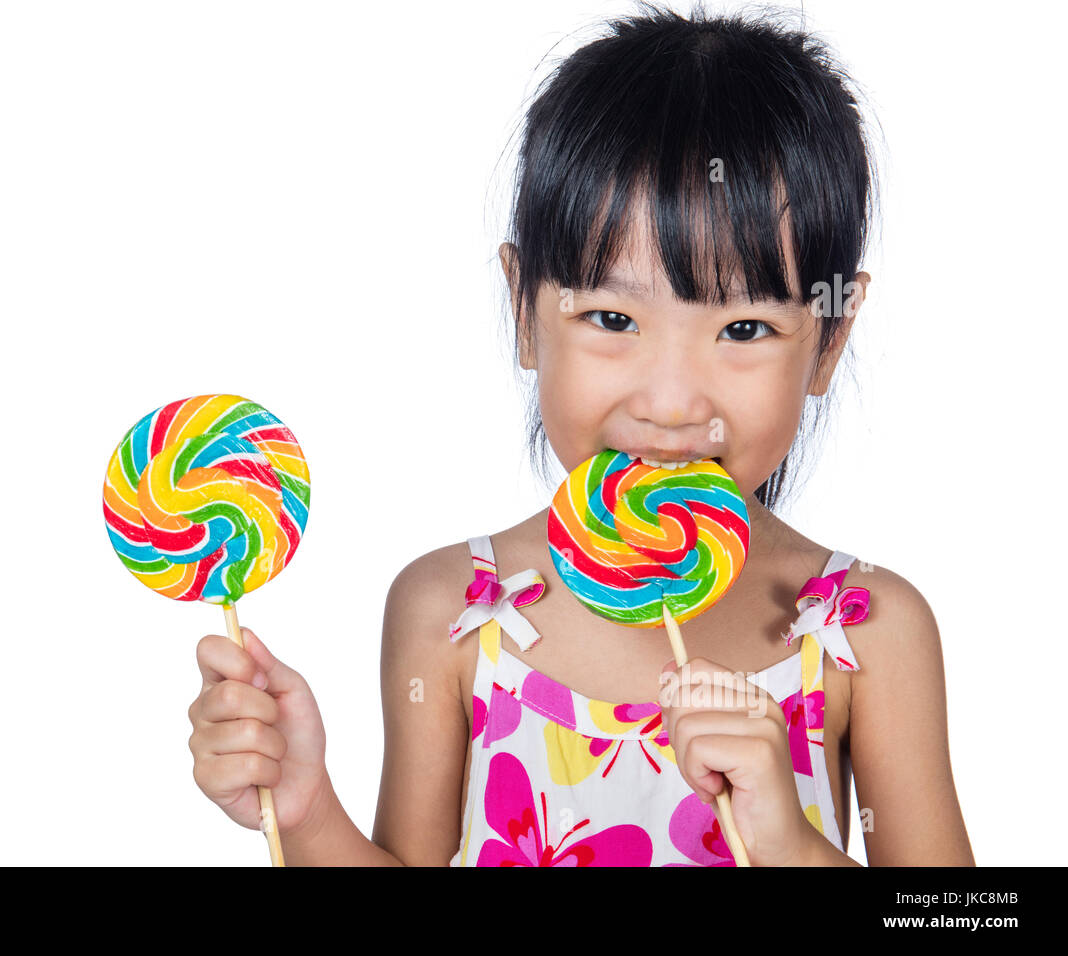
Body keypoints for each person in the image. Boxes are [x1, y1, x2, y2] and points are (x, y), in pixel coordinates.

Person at [186, 2, 975, 866]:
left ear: (828, 339)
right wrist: (303, 813)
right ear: (525, 313)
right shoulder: (452, 616)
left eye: (745, 329)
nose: (672, 402)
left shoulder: (866, 633)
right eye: (610, 316)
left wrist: (793, 847)